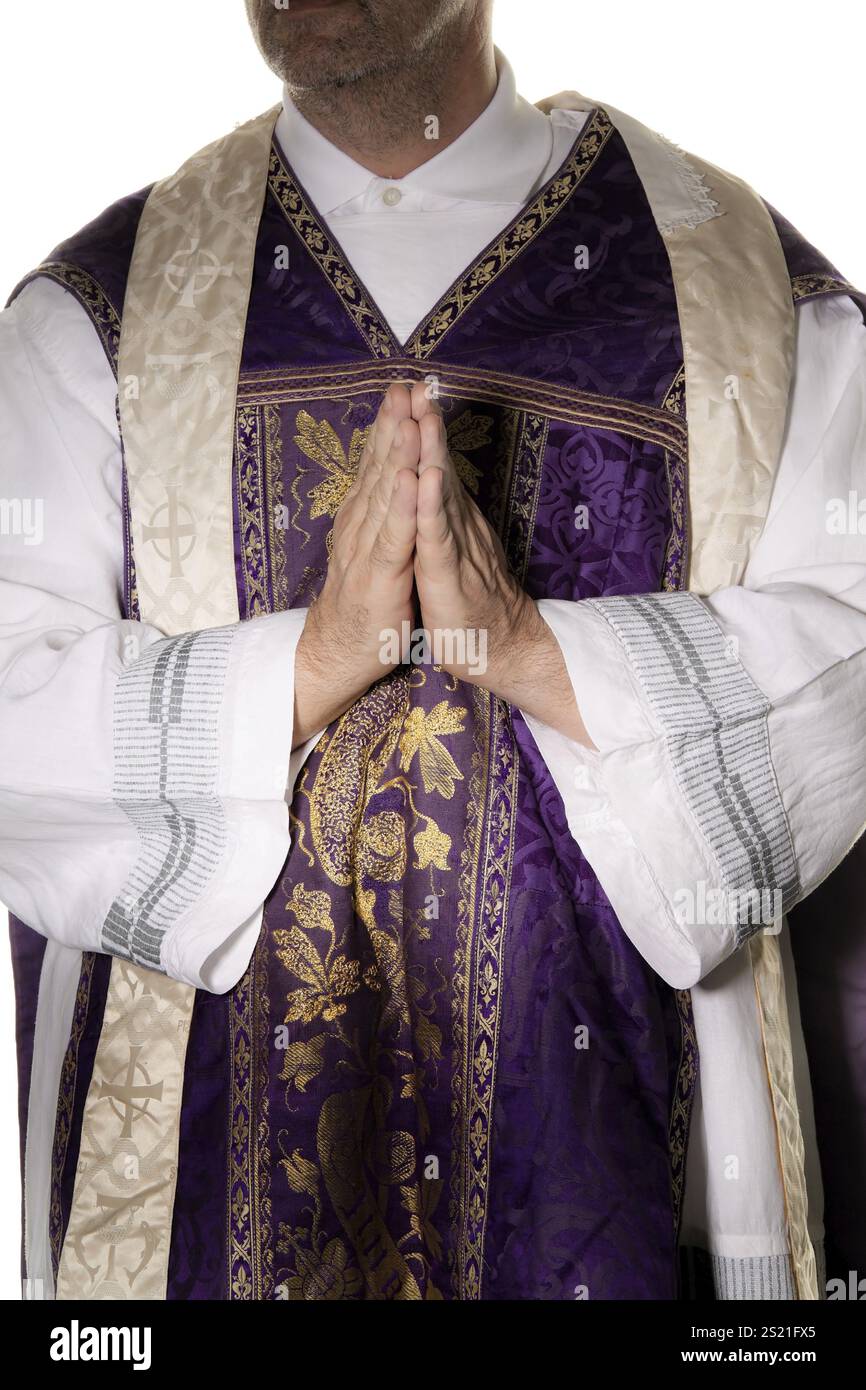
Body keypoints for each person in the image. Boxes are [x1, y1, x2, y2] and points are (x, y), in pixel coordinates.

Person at [1, 0, 864, 1301]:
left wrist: (524, 647)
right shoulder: (99, 312)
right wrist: (305, 665)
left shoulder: (745, 296)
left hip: (615, 1188)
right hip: (207, 1222)